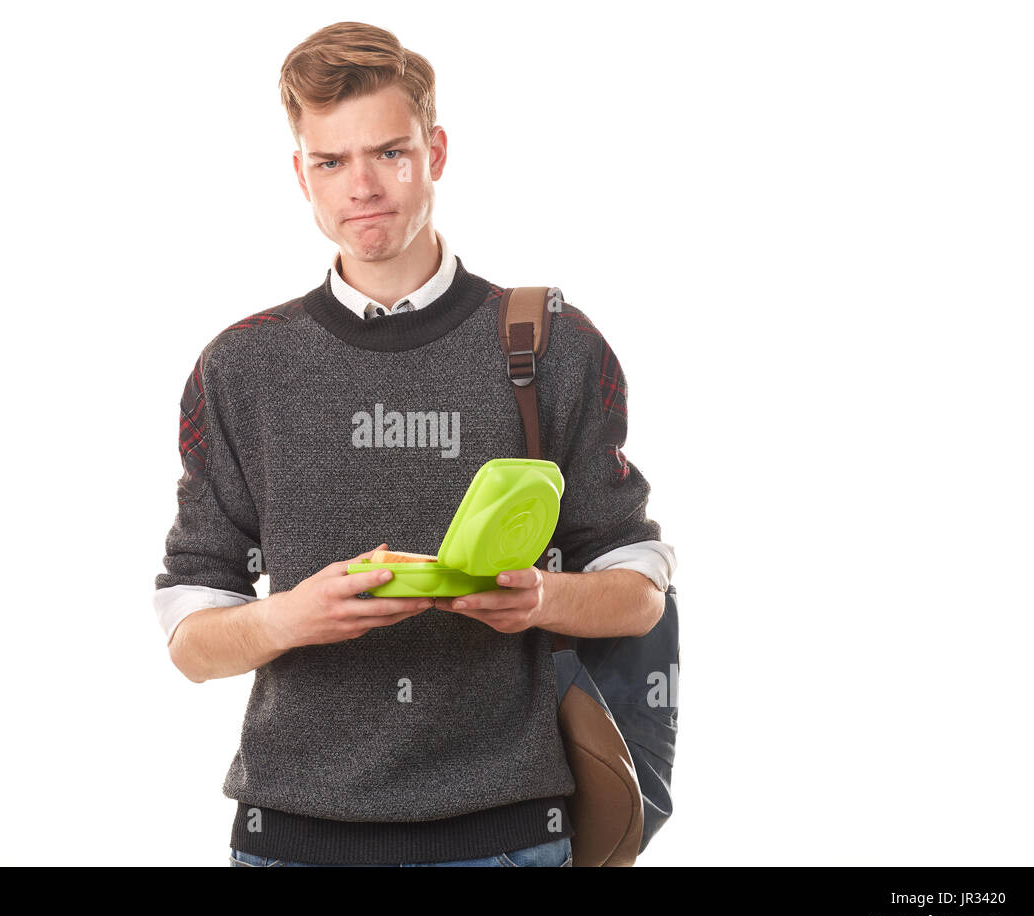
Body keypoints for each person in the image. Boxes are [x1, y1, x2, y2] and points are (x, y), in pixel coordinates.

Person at [153, 21, 677, 868]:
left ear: (434, 149)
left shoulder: (553, 343)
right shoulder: (242, 365)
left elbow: (639, 592)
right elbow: (191, 637)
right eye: (330, 162)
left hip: (507, 836)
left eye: (388, 152)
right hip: (291, 839)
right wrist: (295, 616)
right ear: (301, 176)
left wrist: (541, 599)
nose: (361, 186)